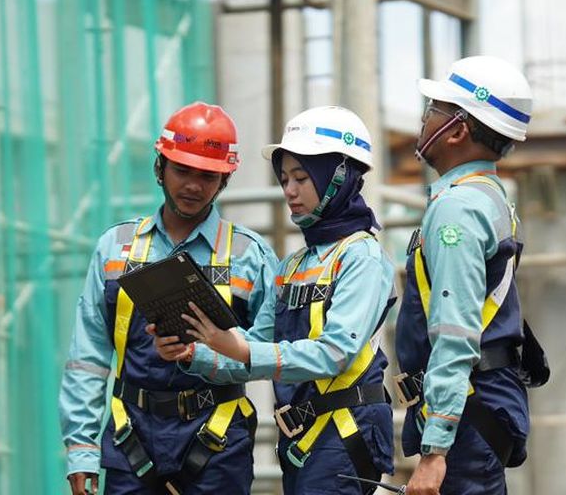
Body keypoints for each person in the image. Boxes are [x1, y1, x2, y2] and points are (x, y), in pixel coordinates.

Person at [153, 106, 397, 495]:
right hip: (302, 441)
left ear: (338, 178)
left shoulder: (360, 256)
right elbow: (254, 348)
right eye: (284, 178)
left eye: (302, 178)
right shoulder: (291, 266)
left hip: (345, 435)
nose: (290, 191)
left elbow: (335, 352)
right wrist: (194, 353)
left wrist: (240, 349)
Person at [59, 102, 278, 495]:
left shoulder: (250, 255)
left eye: (208, 175)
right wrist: (81, 449)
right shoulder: (116, 249)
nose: (194, 185)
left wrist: (206, 353)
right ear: (160, 167)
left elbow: (270, 354)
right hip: (131, 440)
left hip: (218, 441)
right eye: (182, 170)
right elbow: (88, 356)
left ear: (224, 179)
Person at [394, 56, 549, 495]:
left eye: (435, 110)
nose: (425, 120)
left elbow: (455, 330)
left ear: (458, 129)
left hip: (466, 411)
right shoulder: (488, 197)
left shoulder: (457, 208)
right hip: (479, 404)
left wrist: (434, 452)